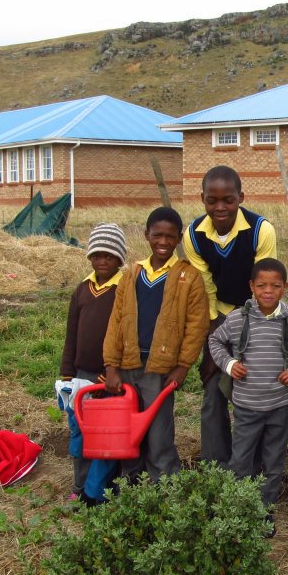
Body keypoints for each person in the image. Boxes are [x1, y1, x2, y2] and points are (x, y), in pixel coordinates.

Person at [103, 207, 208, 482]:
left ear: (179, 238)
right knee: (128, 429)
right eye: (157, 235)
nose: (163, 242)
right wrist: (111, 365)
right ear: (146, 235)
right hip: (128, 365)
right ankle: (131, 486)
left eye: (170, 236)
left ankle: (164, 488)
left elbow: (196, 327)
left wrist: (183, 365)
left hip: (160, 369)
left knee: (159, 432)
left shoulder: (189, 277)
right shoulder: (132, 274)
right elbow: (116, 321)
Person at [185, 165, 277, 467]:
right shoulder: (195, 235)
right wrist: (215, 341)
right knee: (213, 387)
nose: (220, 207)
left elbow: (264, 287)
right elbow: (205, 288)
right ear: (202, 198)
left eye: (228, 200)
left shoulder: (260, 230)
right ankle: (217, 465)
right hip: (219, 317)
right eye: (212, 200)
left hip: (257, 316)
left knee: (256, 390)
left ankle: (257, 465)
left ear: (241, 197)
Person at [207, 258, 288, 537]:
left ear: (285, 287)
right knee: (241, 461)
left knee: (273, 462)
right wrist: (228, 364)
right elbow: (215, 341)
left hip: (280, 406)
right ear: (251, 286)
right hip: (247, 406)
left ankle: (264, 512)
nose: (268, 291)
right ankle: (238, 511)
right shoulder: (238, 319)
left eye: (275, 286)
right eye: (261, 285)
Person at [58, 222, 126, 502]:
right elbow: (71, 333)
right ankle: (80, 486)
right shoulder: (82, 290)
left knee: (105, 436)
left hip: (107, 377)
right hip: (80, 376)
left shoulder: (124, 289)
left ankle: (102, 489)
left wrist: (113, 371)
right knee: (80, 433)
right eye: (97, 255)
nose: (101, 261)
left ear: (119, 259)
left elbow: (124, 333)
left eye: (108, 256)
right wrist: (66, 373)